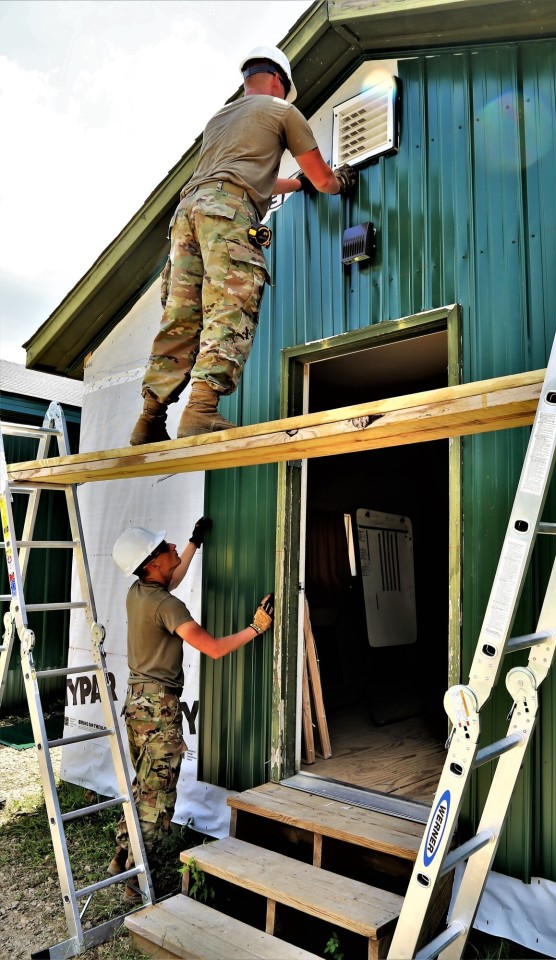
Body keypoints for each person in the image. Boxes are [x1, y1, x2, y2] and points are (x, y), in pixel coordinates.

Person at [130, 45, 356, 446]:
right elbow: (322, 179)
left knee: (182, 314)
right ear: (278, 82)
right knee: (229, 303)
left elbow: (244, 175)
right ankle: (200, 410)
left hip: (187, 213)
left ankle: (149, 419)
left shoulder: (220, 118)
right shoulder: (282, 111)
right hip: (227, 213)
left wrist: (294, 184)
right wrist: (339, 182)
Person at [110, 517, 274, 899]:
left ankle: (121, 856)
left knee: (143, 787)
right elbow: (214, 649)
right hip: (158, 711)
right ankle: (136, 879)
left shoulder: (139, 592)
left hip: (137, 704)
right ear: (152, 564)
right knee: (159, 795)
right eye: (166, 549)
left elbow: (173, 576)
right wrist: (257, 628)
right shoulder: (167, 604)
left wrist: (192, 544)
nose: (172, 550)